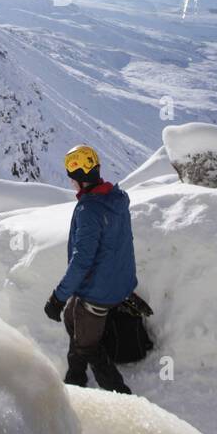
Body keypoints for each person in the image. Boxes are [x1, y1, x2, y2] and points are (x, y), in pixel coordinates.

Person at [44, 145, 137, 394]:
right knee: (70, 318)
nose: (71, 182)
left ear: (80, 179)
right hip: (118, 281)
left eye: (72, 177)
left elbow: (81, 262)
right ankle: (76, 374)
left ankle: (123, 399)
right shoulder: (116, 198)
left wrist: (57, 297)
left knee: (87, 345)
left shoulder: (89, 211)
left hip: (99, 291)